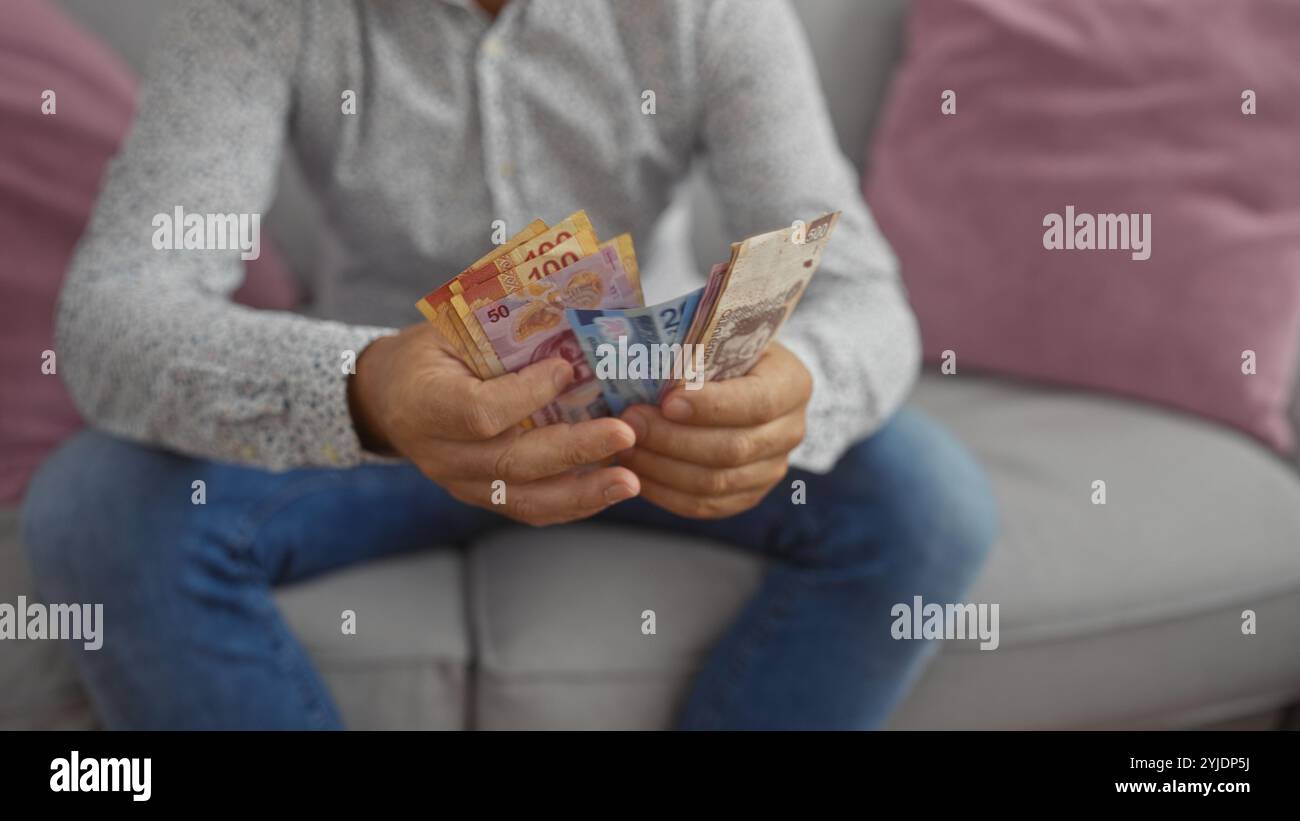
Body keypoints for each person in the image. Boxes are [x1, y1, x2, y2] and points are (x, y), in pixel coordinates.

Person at [22, 0, 997, 729]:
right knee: (94, 507)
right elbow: (117, 311)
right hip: (377, 426)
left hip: (641, 418)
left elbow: (861, 293)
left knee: (930, 504)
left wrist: (798, 386)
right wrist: (363, 389)